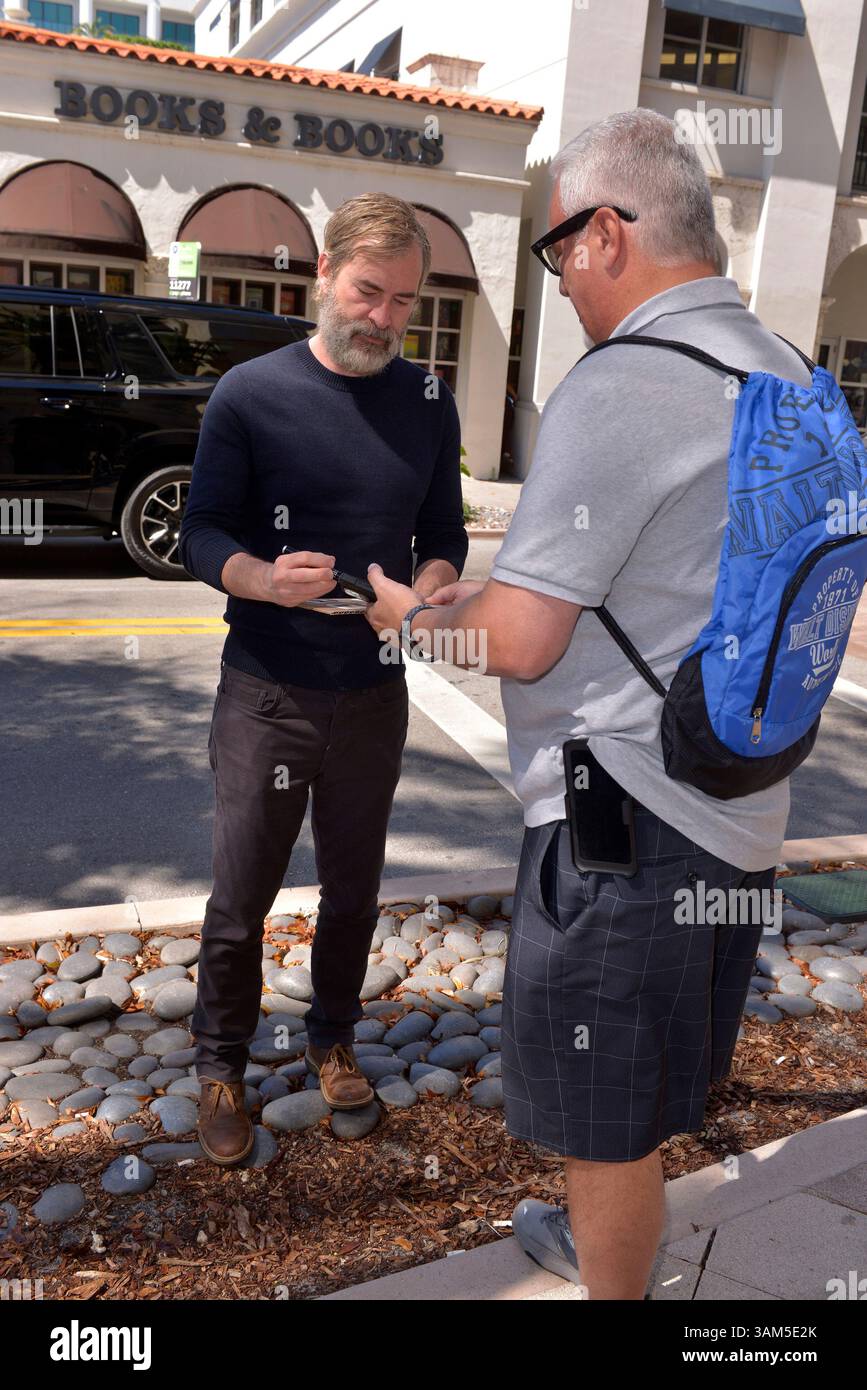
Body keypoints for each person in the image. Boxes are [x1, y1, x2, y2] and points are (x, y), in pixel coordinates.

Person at [364, 109, 810, 1299]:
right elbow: (673, 573)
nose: (558, 279)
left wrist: (411, 619)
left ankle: (615, 1281)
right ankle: (610, 1238)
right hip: (742, 800)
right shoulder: (789, 372)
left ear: (608, 232)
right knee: (652, 1075)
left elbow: (518, 639)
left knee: (607, 1116)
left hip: (625, 822)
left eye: (559, 249)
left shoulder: (627, 384)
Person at [179, 193, 467, 1166]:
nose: (383, 317)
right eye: (367, 291)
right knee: (242, 889)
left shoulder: (427, 399)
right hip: (266, 686)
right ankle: (221, 1059)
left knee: (353, 887)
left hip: (376, 689)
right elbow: (199, 530)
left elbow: (444, 537)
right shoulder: (250, 392)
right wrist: (261, 578)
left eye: (402, 303)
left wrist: (425, 592)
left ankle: (331, 1039)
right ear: (323, 278)